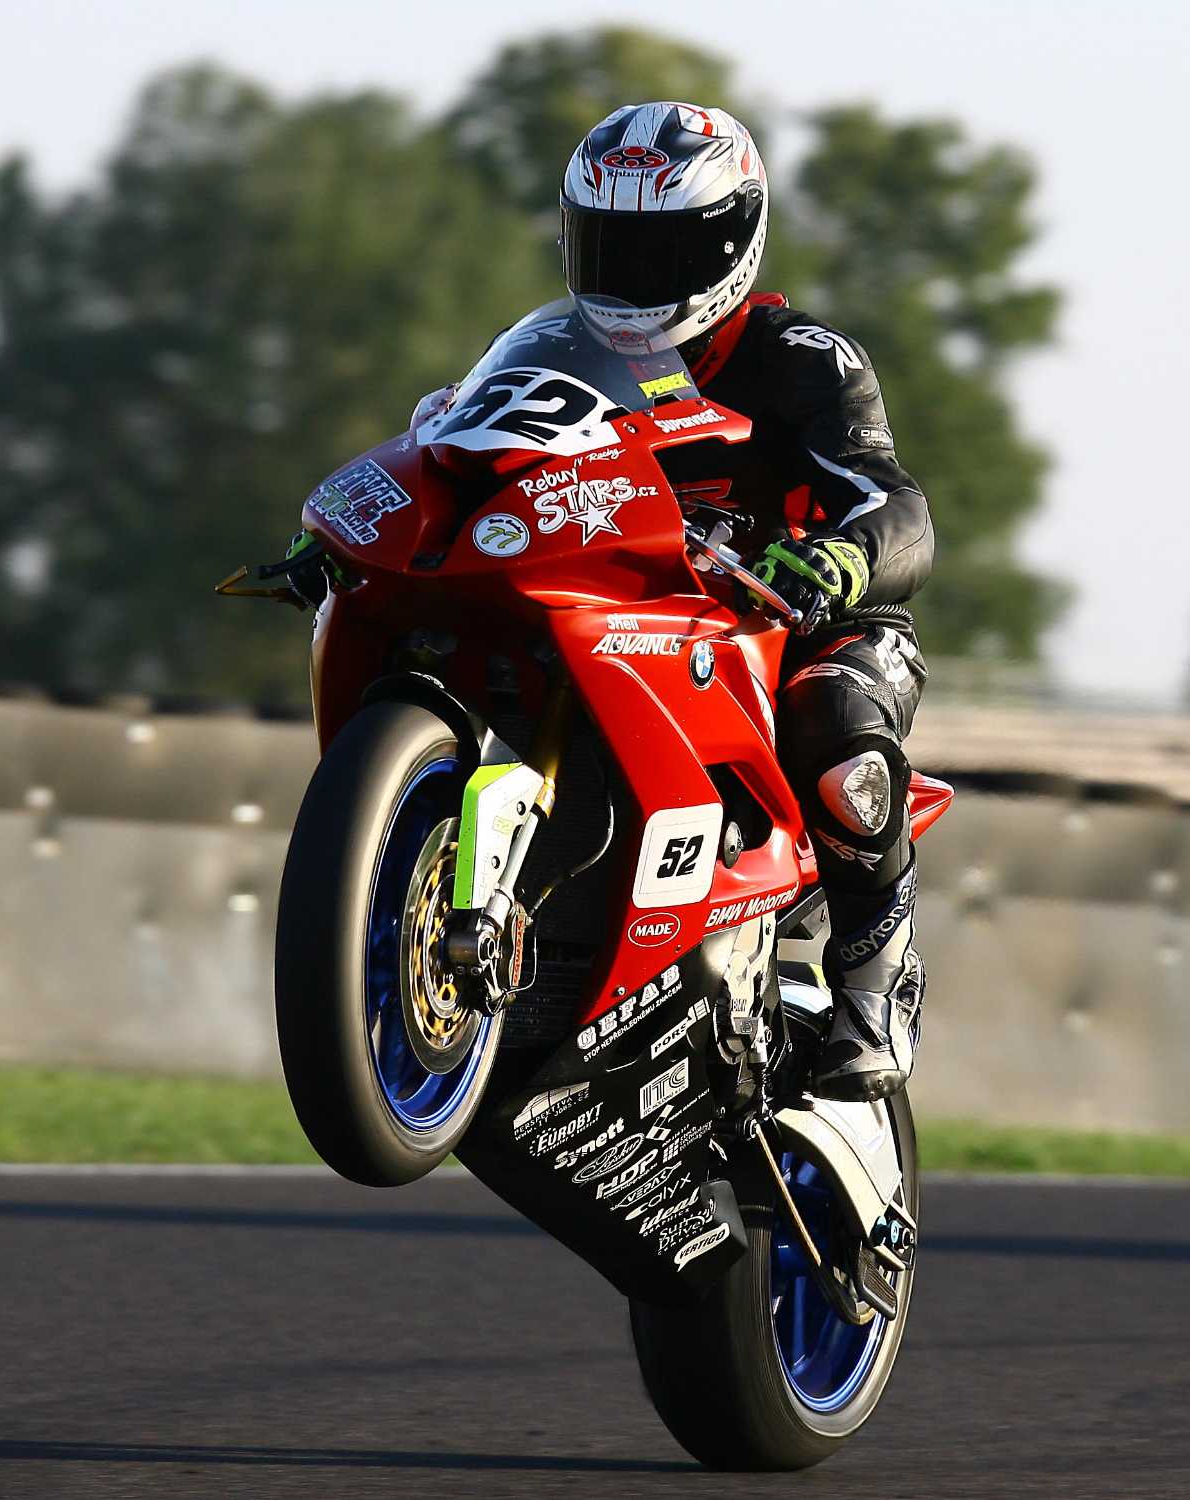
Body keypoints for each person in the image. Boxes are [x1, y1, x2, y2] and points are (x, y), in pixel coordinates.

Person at [285, 101, 933, 1100]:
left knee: (840, 732)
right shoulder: (550, 351)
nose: (628, 278)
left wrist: (837, 566)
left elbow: (896, 505)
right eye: (606, 244)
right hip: (625, 611)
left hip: (794, 621)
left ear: (727, 242)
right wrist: (359, 535)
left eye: (659, 248)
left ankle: (874, 983)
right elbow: (462, 450)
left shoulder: (805, 360)